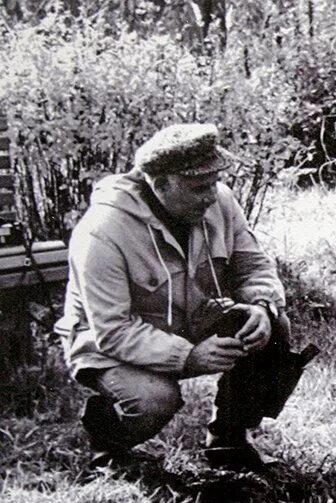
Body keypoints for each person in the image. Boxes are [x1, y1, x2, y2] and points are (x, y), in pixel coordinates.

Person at [55, 123, 315, 470]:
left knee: (271, 327)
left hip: (189, 320)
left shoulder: (218, 200)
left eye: (213, 183)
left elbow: (253, 265)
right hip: (107, 343)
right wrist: (188, 356)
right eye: (198, 187)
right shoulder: (102, 232)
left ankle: (230, 440)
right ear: (160, 184)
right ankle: (108, 440)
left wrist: (261, 305)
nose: (211, 195)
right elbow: (112, 330)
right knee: (154, 399)